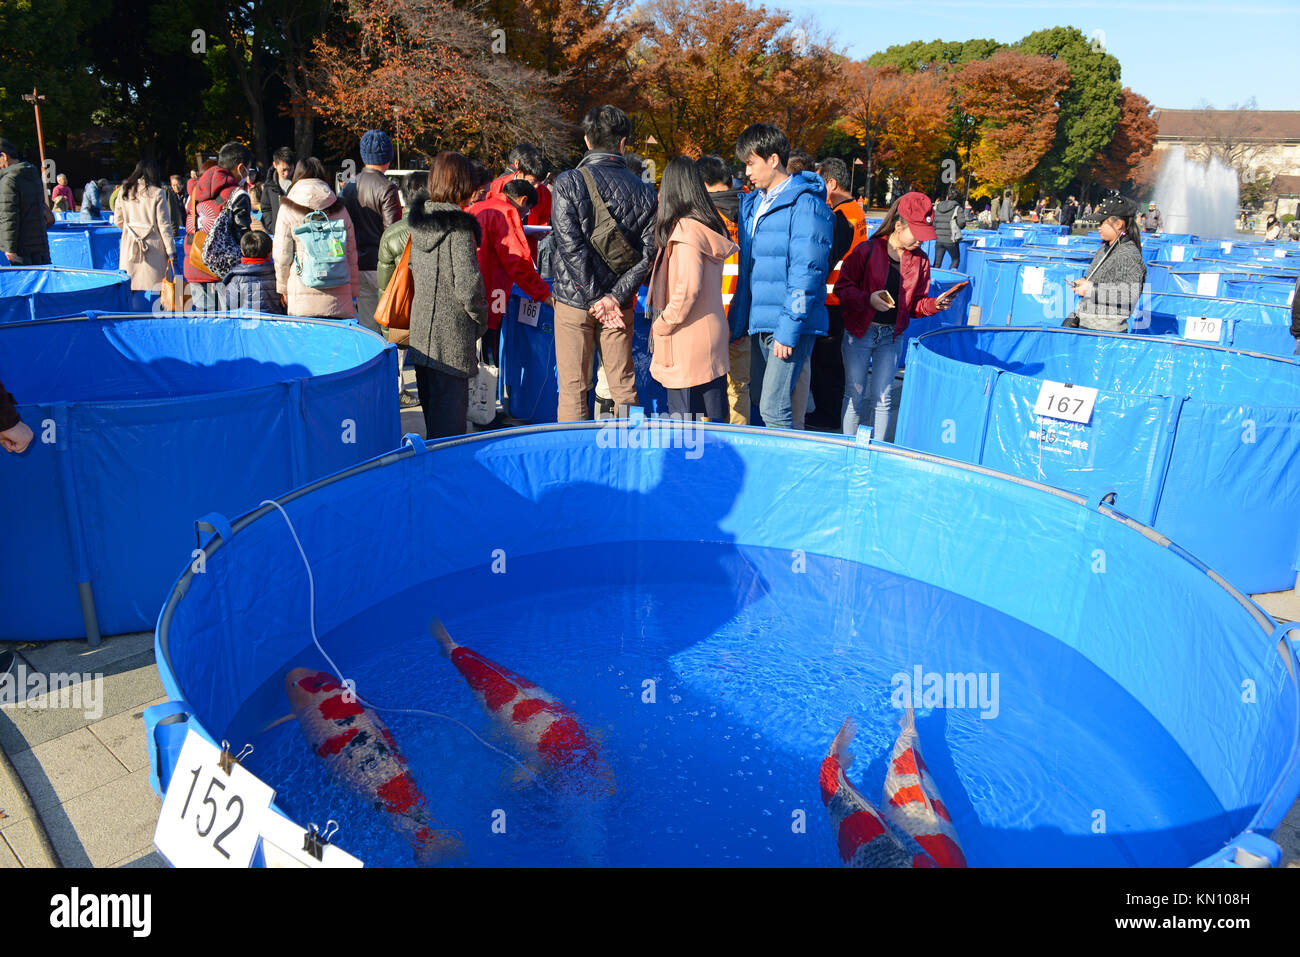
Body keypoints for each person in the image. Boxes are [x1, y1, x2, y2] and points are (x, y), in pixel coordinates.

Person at [549, 105, 657, 421]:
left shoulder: (568, 182)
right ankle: (629, 457)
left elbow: (570, 248)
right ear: (623, 143)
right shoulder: (645, 192)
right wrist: (612, 298)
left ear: (587, 140)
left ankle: (576, 463)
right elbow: (648, 255)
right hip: (618, 304)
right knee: (623, 386)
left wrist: (595, 297)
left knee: (572, 389)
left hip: (574, 300)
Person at [834, 192, 963, 440]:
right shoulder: (866, 251)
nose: (920, 242)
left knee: (883, 397)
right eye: (916, 234)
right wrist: (867, 299)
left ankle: (878, 451)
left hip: (891, 337)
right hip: (860, 332)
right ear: (898, 226)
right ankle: (848, 447)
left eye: (925, 236)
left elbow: (915, 306)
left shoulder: (921, 261)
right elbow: (842, 289)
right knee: (855, 393)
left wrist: (935, 305)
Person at [729, 122, 832, 430]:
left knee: (774, 409)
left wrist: (789, 329)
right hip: (761, 318)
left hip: (789, 322)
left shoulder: (806, 205)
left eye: (751, 163)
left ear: (772, 159)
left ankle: (787, 474)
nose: (747, 172)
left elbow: (807, 272)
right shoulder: (755, 203)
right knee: (762, 398)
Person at [646, 156, 737, 419]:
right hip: (709, 336)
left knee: (686, 429)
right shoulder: (707, 225)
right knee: (713, 420)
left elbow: (687, 290)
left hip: (685, 340)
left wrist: (662, 323)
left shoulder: (685, 230)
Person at [406, 152, 489, 439]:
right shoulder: (459, 228)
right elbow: (468, 285)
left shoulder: (418, 221)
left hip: (421, 337)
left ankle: (428, 477)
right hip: (452, 338)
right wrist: (481, 318)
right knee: (451, 431)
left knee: (432, 421)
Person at [810, 156, 869, 431]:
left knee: (826, 364)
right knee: (836, 363)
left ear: (831, 183)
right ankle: (832, 412)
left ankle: (827, 415)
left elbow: (828, 258)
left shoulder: (840, 216)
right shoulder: (857, 212)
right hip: (847, 297)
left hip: (833, 300)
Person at [469, 178, 553, 367]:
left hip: (472, 288)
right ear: (523, 200)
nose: (525, 215)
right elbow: (517, 262)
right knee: (490, 353)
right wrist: (543, 294)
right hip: (493, 290)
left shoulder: (478, 207)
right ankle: (488, 395)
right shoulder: (506, 212)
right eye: (527, 210)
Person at [273, 157, 359, 319]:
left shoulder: (288, 207)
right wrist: (353, 290)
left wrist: (283, 289)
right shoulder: (339, 207)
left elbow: (282, 255)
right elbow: (351, 253)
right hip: (338, 294)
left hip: (302, 293)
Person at [697, 154, 749, 423]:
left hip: (709, 317)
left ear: (703, 183)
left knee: (708, 389)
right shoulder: (752, 211)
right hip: (742, 316)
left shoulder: (702, 216)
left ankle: (709, 451)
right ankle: (740, 441)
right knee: (739, 387)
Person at [340, 130, 402, 333]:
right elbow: (393, 233)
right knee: (390, 325)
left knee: (368, 325)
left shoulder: (348, 187)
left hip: (357, 262)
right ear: (388, 158)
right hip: (382, 265)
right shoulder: (387, 188)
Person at [378, 171, 428, 408]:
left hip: (402, 309)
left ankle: (398, 391)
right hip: (430, 310)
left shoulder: (391, 233)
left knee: (398, 355)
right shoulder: (439, 228)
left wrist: (386, 325)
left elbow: (385, 283)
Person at [185, 141, 254, 311]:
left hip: (195, 264)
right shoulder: (237, 194)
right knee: (230, 327)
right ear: (240, 168)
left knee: (207, 328)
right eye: (249, 169)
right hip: (225, 271)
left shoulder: (194, 192)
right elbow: (243, 236)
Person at [1064, 194, 1147, 333]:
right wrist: (1085, 283)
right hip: (1087, 326)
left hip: (1106, 335)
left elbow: (1130, 293)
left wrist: (1090, 289)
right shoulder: (1105, 248)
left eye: (1102, 222)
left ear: (1119, 224)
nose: (1098, 227)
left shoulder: (1129, 254)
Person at [113, 159, 178, 310]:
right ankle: (162, 314)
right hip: (153, 246)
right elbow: (164, 225)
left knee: (131, 284)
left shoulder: (123, 191)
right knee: (162, 285)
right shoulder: (158, 193)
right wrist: (171, 250)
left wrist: (131, 232)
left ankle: (130, 314)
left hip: (130, 245)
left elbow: (118, 220)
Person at [487, 144, 552, 261]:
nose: (537, 186)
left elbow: (544, 220)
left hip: (527, 250)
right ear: (520, 172)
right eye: (533, 181)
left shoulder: (544, 193)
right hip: (500, 246)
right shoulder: (497, 186)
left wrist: (542, 232)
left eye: (540, 182)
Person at [0, 138, 51, 265]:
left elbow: (9, 216)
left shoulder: (9, 180)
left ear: (4, 156)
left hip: (19, 250)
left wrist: (9, 248)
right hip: (40, 246)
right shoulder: (33, 175)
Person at [221, 229, 283, 313]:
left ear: (242, 251)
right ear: (270, 252)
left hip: (247, 323)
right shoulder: (279, 275)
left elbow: (230, 305)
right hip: (277, 323)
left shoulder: (236, 278)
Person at [260, 147, 295, 235]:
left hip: (297, 232)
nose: (287, 173)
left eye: (290, 169)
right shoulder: (269, 186)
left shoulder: (299, 183)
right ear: (275, 165)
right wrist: (272, 226)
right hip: (277, 233)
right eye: (283, 170)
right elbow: (265, 208)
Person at [932, 185, 965, 270]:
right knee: (955, 260)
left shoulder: (938, 207)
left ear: (947, 197)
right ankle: (950, 277)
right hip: (951, 240)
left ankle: (932, 280)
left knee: (937, 264)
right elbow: (962, 224)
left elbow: (934, 223)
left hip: (939, 239)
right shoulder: (958, 208)